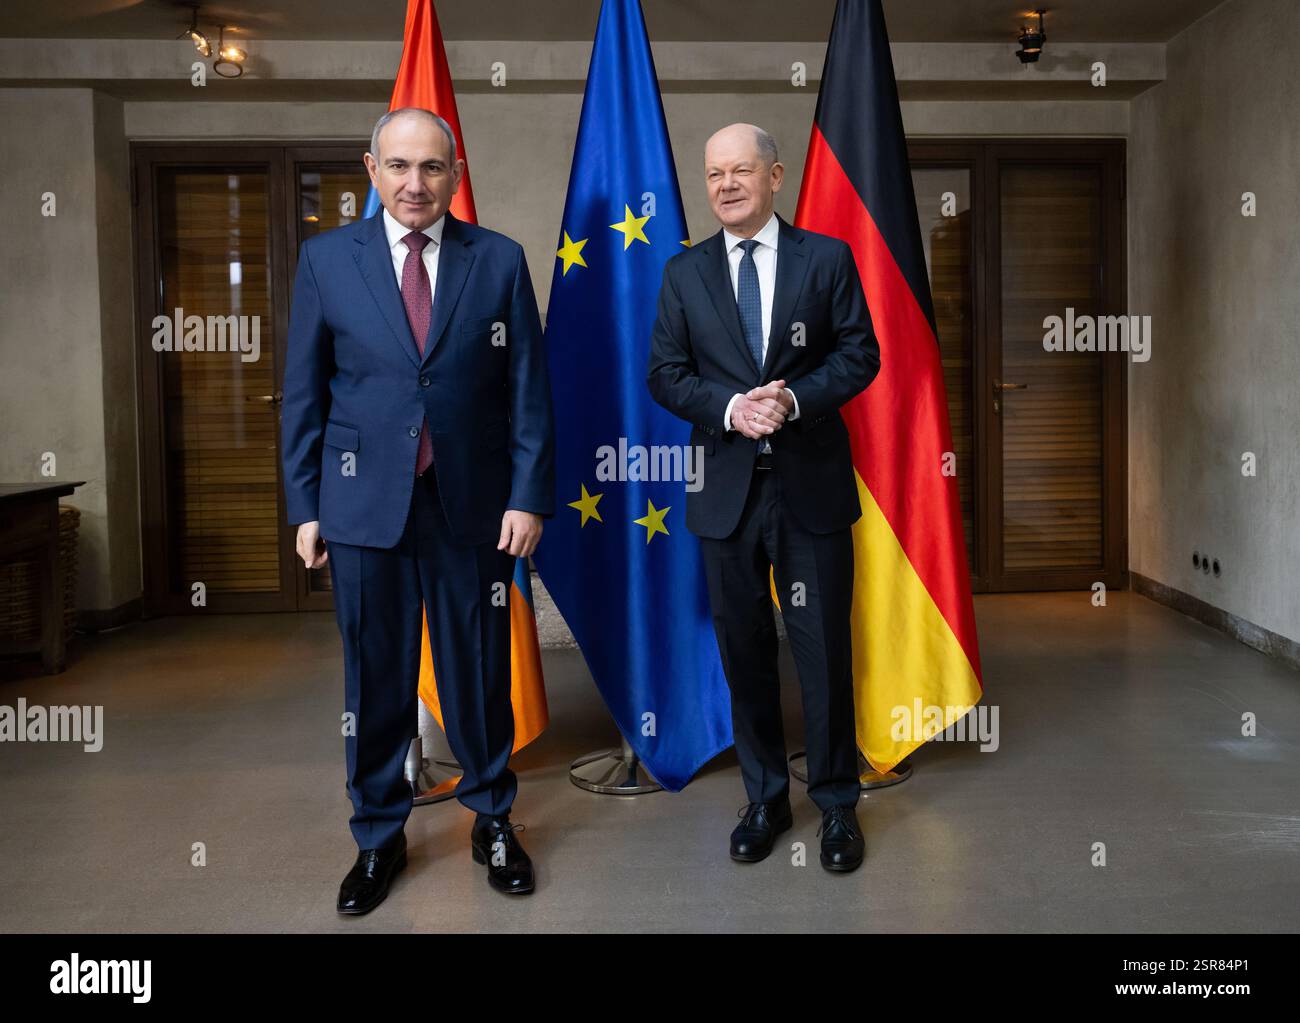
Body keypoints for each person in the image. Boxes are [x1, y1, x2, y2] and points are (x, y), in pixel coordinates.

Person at [281, 107, 555, 912]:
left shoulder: (498, 260)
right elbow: (303, 395)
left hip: (473, 507)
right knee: (377, 679)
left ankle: (493, 818)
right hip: (362, 508)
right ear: (372, 170)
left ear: (455, 174)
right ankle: (378, 835)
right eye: (399, 166)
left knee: (478, 672)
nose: (414, 182)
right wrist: (305, 505)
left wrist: (529, 494)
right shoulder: (327, 260)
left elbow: (529, 391)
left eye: (431, 167)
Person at [646, 123, 881, 872]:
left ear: (775, 176)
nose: (725, 186)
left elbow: (859, 353)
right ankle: (766, 796)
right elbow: (664, 372)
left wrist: (795, 400)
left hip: (808, 488)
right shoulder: (685, 273)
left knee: (821, 650)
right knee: (743, 651)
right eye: (714, 174)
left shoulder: (828, 259)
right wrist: (729, 409)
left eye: (740, 171)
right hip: (724, 493)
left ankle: (838, 805)